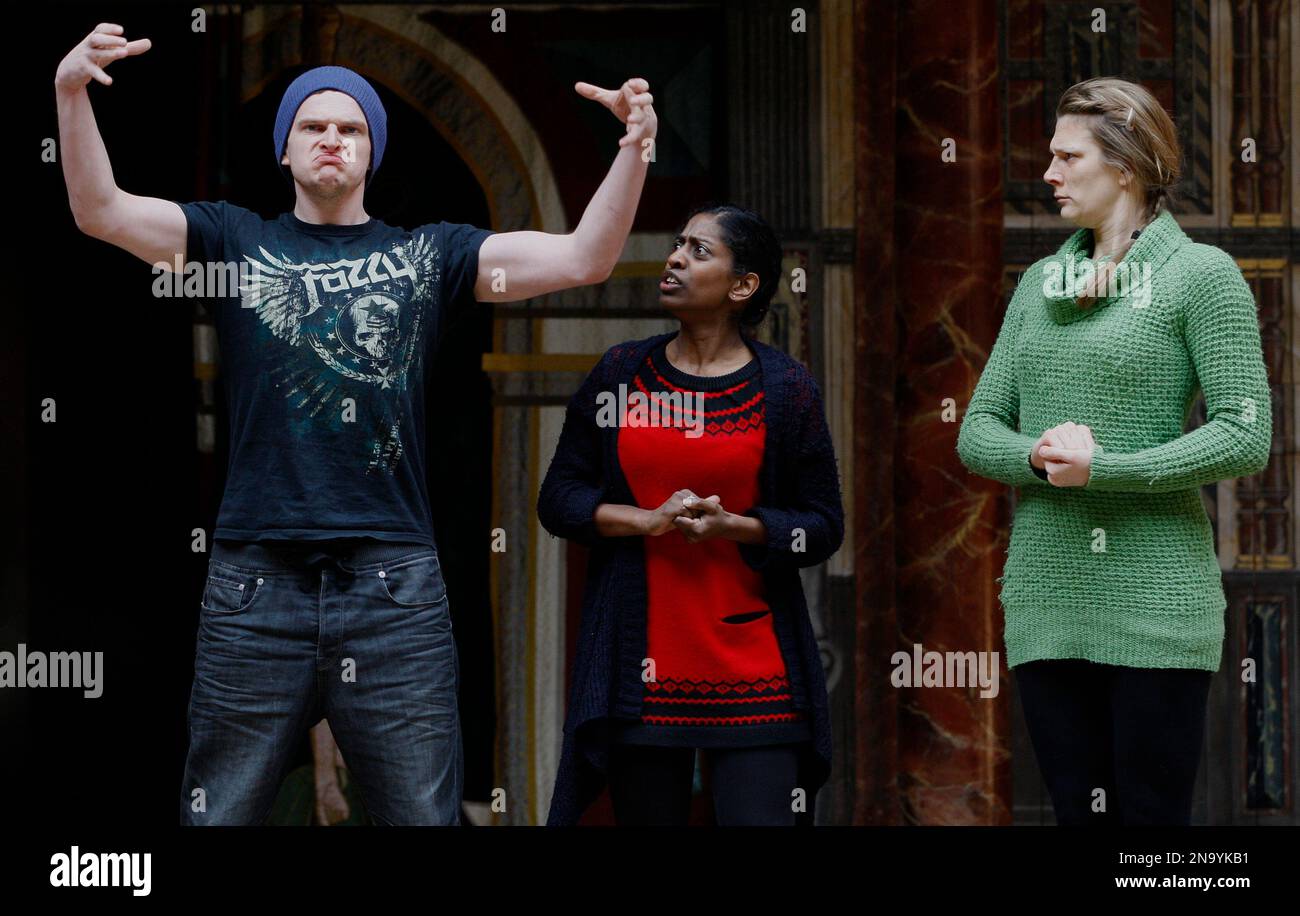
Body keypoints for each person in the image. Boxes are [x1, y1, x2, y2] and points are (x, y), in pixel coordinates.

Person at [54, 22, 658, 825]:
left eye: (351, 129)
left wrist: (636, 148)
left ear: (372, 153)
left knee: (418, 815)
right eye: (313, 125)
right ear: (285, 150)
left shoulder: (433, 254)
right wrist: (69, 93)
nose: (332, 140)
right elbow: (100, 211)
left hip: (392, 585)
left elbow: (586, 258)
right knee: (218, 813)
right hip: (254, 582)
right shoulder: (234, 240)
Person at [956, 77, 1272, 825]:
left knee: (1149, 834)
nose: (1049, 174)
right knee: (1078, 815)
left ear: (1124, 166)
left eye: (1068, 157)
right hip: (1046, 597)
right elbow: (977, 431)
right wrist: (1038, 457)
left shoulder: (1202, 277)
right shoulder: (1037, 285)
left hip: (1156, 602)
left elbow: (1245, 431)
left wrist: (1110, 469)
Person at [538, 204, 844, 825]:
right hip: (640, 674)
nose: (675, 258)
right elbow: (559, 498)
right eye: (678, 244)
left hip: (757, 674)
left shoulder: (785, 389)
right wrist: (642, 520)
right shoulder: (622, 374)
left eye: (700, 251)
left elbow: (822, 524)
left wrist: (737, 526)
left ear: (743, 286)